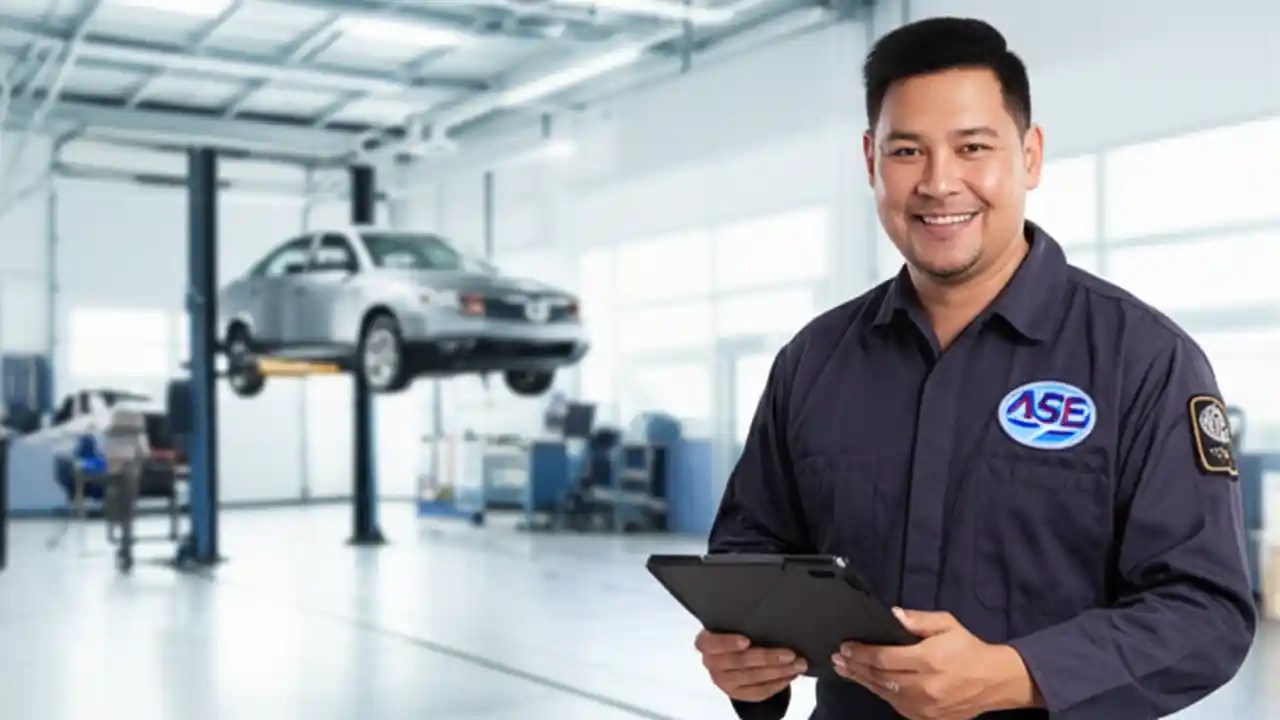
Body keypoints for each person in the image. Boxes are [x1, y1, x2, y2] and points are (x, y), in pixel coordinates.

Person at [695, 16, 1257, 720]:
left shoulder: (1141, 361)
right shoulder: (814, 362)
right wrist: (748, 657)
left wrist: (1021, 673)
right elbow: (752, 551)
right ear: (871, 160)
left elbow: (1204, 614)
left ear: (1030, 156)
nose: (938, 182)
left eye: (972, 148)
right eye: (907, 151)